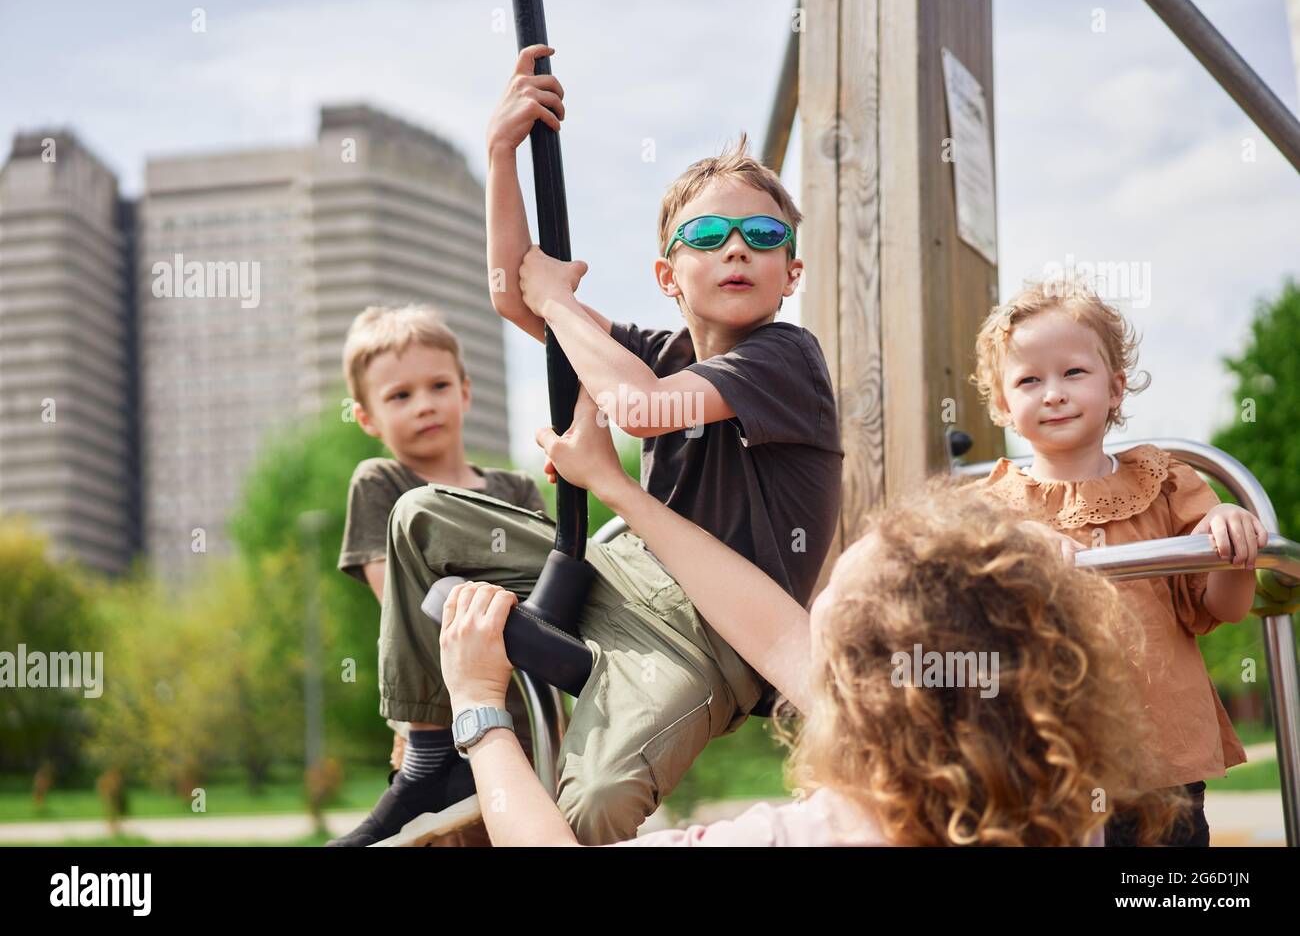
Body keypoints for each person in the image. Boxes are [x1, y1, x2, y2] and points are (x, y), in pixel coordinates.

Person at [331, 42, 843, 846]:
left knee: (597, 799)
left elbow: (637, 410)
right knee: (421, 515)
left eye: (761, 232)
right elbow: (517, 298)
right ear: (669, 275)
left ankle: (538, 729)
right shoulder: (658, 350)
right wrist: (502, 154)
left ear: (792, 269)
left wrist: (559, 305)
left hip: (717, 637)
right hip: (621, 571)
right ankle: (433, 755)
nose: (735, 246)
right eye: (707, 233)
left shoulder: (787, 360)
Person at [435, 391, 1183, 846]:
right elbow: (766, 629)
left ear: (863, 697)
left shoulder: (804, 835)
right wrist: (619, 489)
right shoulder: (1053, 812)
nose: (807, 608)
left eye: (828, 605)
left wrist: (476, 708)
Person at [969, 276, 1263, 846]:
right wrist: (1020, 555)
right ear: (1004, 405)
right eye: (1030, 380)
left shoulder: (1165, 485)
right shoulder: (991, 512)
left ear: (1116, 388)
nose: (1053, 392)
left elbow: (1225, 609)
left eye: (1074, 372)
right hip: (1044, 770)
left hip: (1162, 767)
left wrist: (1230, 542)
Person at [328, 304, 545, 846]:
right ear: (367, 417)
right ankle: (429, 770)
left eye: (438, 386)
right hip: (438, 716)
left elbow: (548, 601)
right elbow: (399, 601)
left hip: (525, 717)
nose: (424, 405)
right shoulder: (382, 481)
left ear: (465, 392)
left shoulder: (514, 492)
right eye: (400, 396)